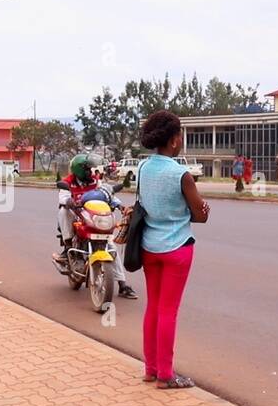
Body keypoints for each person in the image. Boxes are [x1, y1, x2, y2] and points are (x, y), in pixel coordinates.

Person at [137, 110, 210, 389]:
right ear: (175, 141)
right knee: (168, 310)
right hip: (177, 249)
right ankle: (166, 376)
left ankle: (150, 369)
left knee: (153, 307)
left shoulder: (143, 168)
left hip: (148, 247)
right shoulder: (182, 175)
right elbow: (199, 214)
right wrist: (204, 211)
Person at [54, 154, 137, 299]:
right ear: (79, 170)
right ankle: (68, 247)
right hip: (77, 216)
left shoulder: (95, 181)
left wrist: (120, 206)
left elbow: (108, 194)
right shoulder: (68, 182)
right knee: (63, 210)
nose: (91, 172)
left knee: (111, 247)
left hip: (94, 218)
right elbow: (63, 197)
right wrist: (70, 202)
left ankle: (122, 285)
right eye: (87, 169)